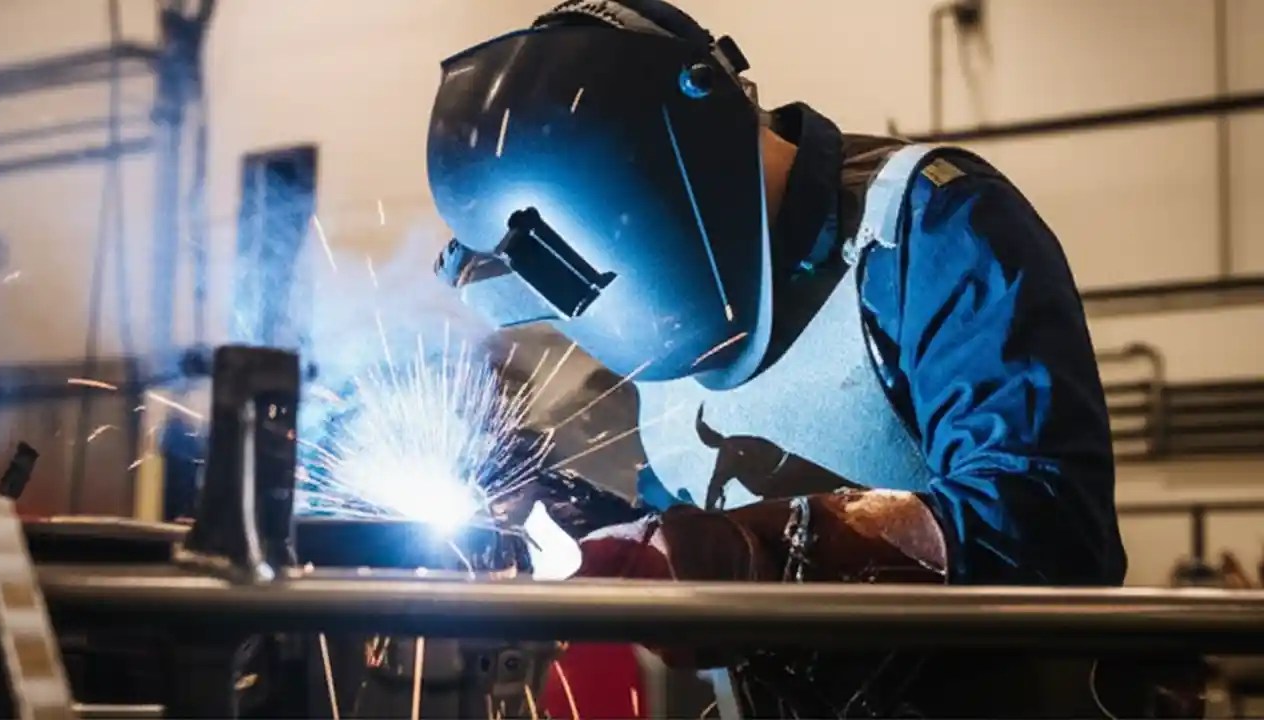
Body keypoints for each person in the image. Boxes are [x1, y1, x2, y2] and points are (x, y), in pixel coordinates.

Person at [425, 1, 1200, 716]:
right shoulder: (653, 329)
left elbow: (1045, 530)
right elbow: (690, 537)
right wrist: (603, 535)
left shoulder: (927, 225)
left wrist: (758, 553)